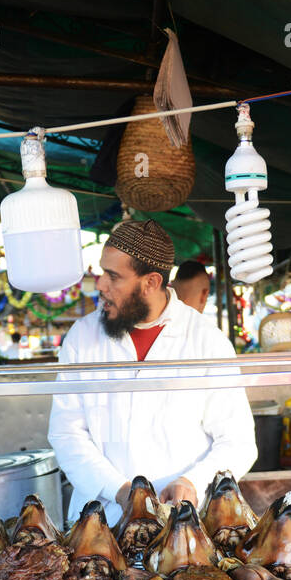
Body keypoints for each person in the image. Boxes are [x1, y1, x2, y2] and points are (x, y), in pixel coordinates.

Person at [47, 219, 255, 522]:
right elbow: (66, 433)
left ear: (151, 282)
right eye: (102, 272)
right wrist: (119, 490)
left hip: (183, 527)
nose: (100, 285)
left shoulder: (206, 341)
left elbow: (238, 442)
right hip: (102, 523)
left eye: (113, 276)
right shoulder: (82, 338)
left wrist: (192, 482)